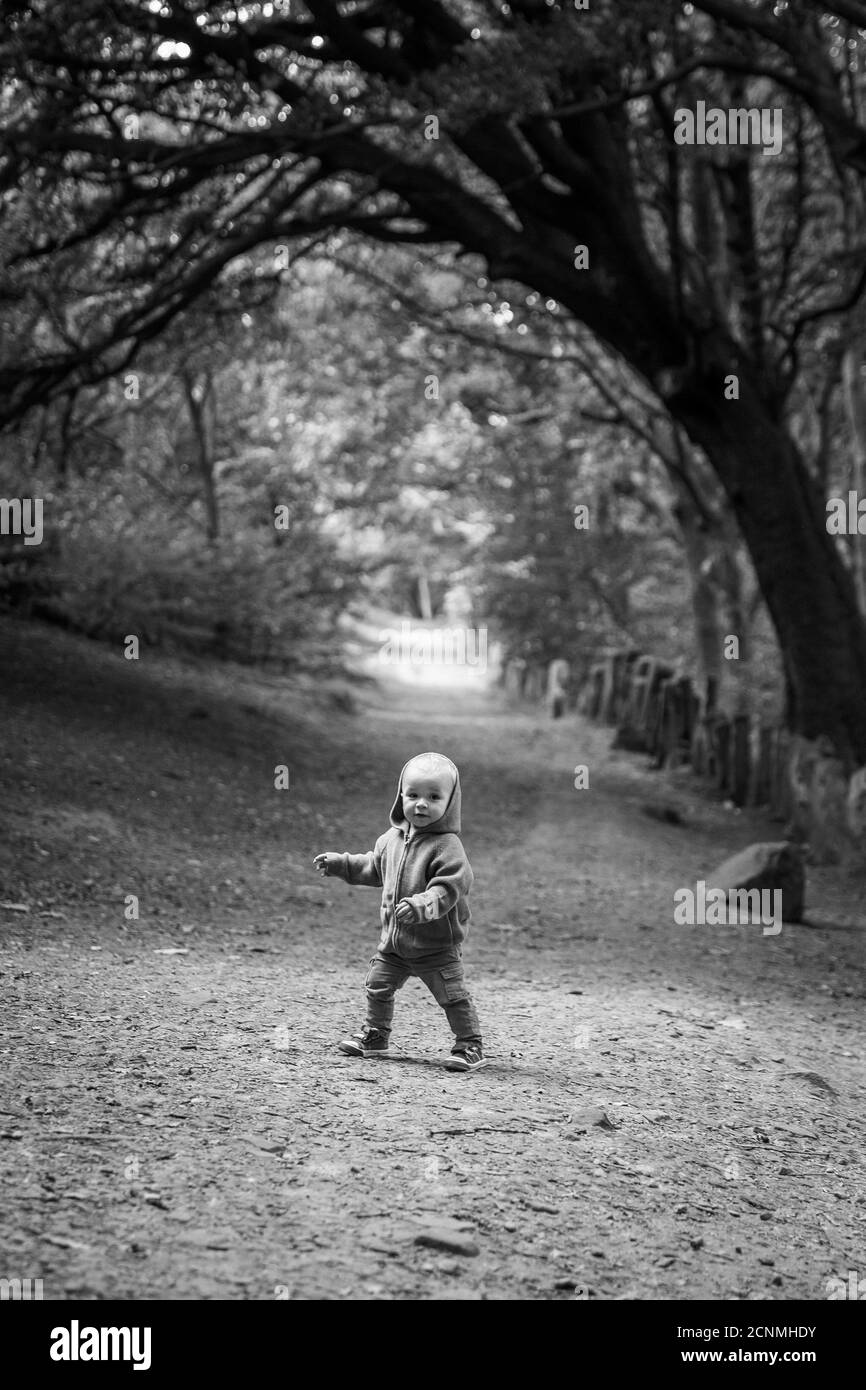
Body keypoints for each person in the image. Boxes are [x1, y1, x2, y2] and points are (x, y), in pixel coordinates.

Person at [313, 751, 485, 1071]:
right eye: (414, 795)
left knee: (452, 995)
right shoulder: (391, 840)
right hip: (394, 943)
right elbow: (371, 867)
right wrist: (340, 864)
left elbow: (449, 887)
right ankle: (377, 1034)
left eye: (434, 797)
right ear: (400, 796)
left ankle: (469, 1044)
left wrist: (422, 905)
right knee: (377, 985)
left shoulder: (448, 847)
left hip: (436, 944)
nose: (421, 804)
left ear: (450, 802)